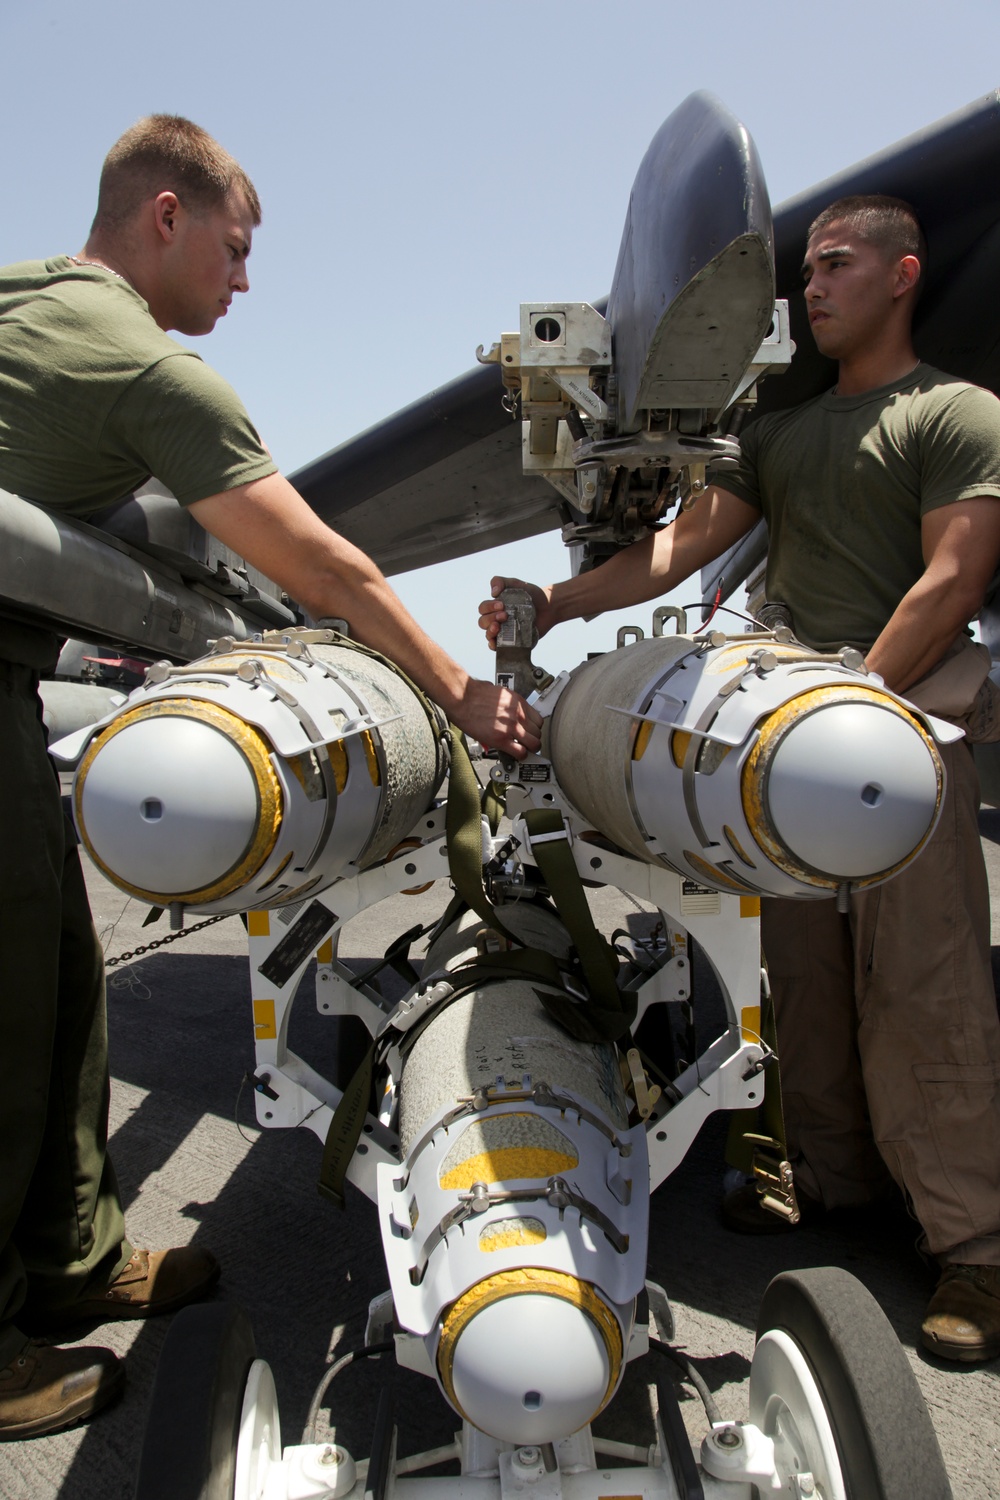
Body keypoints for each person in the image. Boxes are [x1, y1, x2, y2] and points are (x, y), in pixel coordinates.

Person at [0, 114, 542, 1441]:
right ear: (167, 218)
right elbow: (329, 571)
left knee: (59, 981)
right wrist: (462, 695)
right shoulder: (148, 371)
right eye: (236, 251)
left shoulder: (25, 310)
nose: (247, 283)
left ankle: (72, 1259)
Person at [479, 194, 1000, 1363]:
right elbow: (677, 547)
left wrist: (841, 715)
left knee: (927, 990)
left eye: (835, 265)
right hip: (788, 756)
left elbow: (950, 583)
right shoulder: (781, 435)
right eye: (807, 269)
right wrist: (556, 601)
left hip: (899, 740)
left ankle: (973, 1246)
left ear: (902, 273)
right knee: (801, 980)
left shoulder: (956, 414)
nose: (811, 288)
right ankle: (834, 1180)